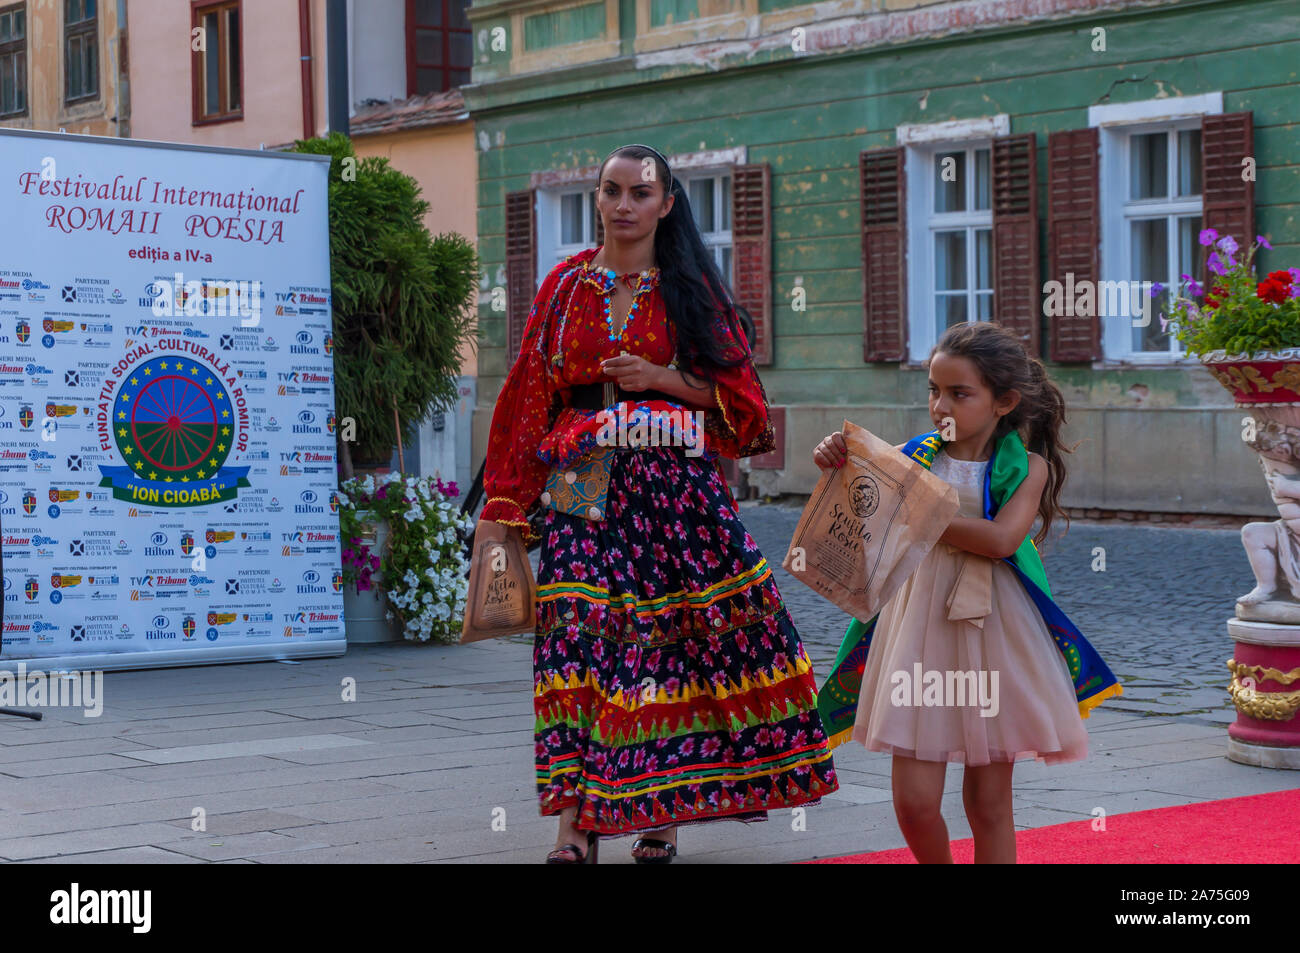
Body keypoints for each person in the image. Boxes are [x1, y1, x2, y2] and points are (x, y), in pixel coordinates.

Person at [477, 143, 838, 864]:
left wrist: (661, 377)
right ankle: (572, 828)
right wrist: (506, 498)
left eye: (640, 193)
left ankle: (659, 813)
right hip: (581, 485)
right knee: (576, 646)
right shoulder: (563, 287)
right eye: (611, 190)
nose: (622, 205)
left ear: (666, 203)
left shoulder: (691, 290)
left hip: (673, 493)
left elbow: (743, 407)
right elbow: (528, 396)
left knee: (659, 650)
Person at [811, 321, 1121, 863]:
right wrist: (841, 463)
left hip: (994, 628)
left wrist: (914, 509)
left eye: (959, 393)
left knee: (988, 802)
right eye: (933, 390)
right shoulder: (910, 457)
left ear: (1004, 402)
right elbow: (867, 514)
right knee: (913, 802)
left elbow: (1002, 540)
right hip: (915, 631)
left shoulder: (1030, 469)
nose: (940, 405)